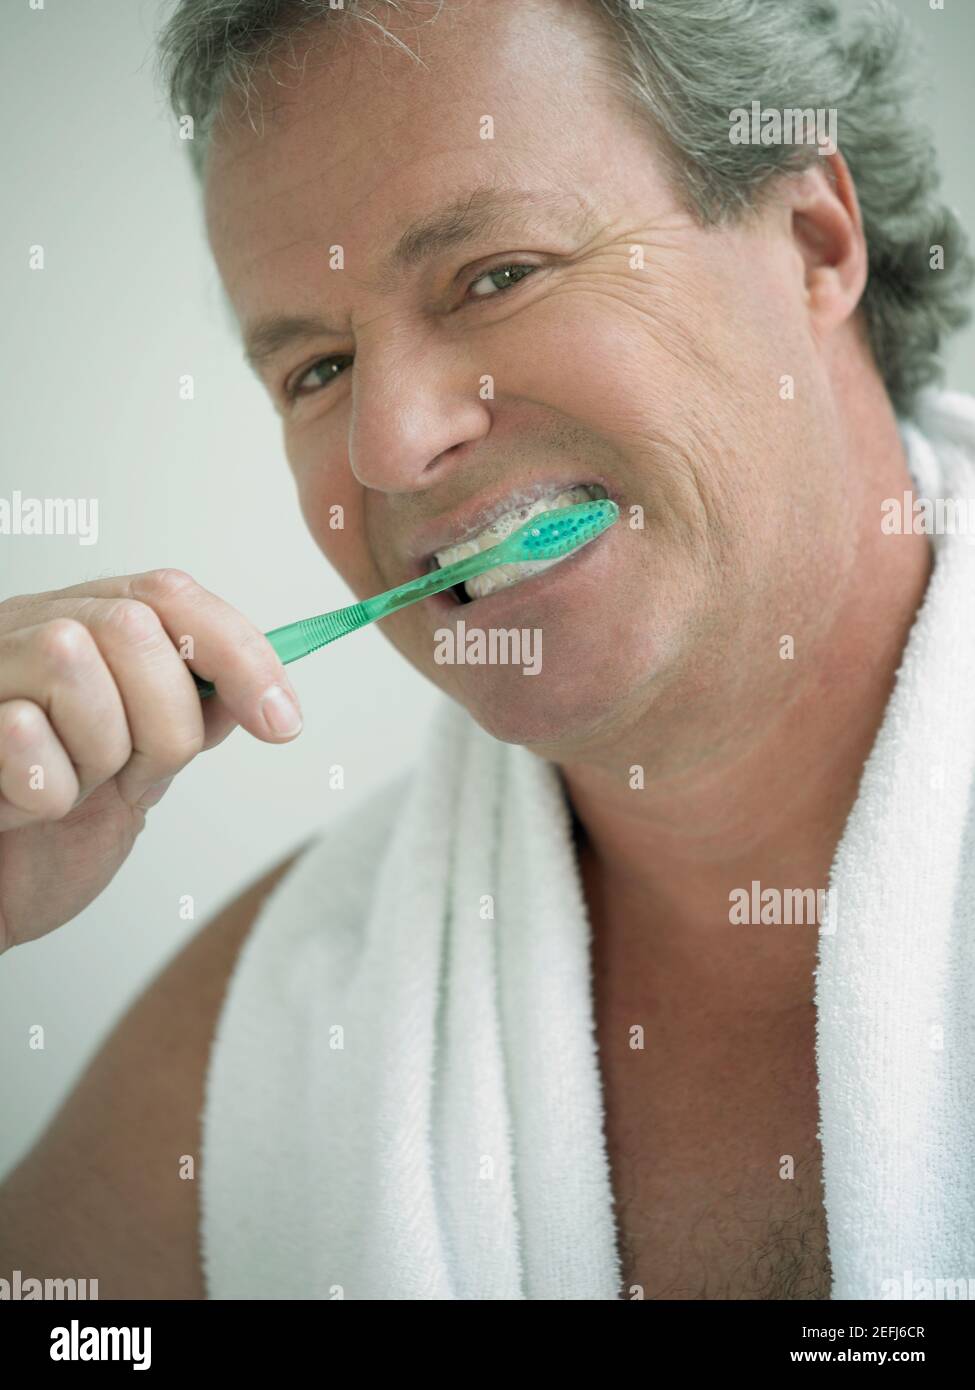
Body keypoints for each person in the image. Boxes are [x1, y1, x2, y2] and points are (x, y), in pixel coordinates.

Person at [1, 0, 973, 1301]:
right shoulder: (252, 1044)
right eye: (316, 369)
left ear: (812, 239)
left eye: (498, 274)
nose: (390, 444)